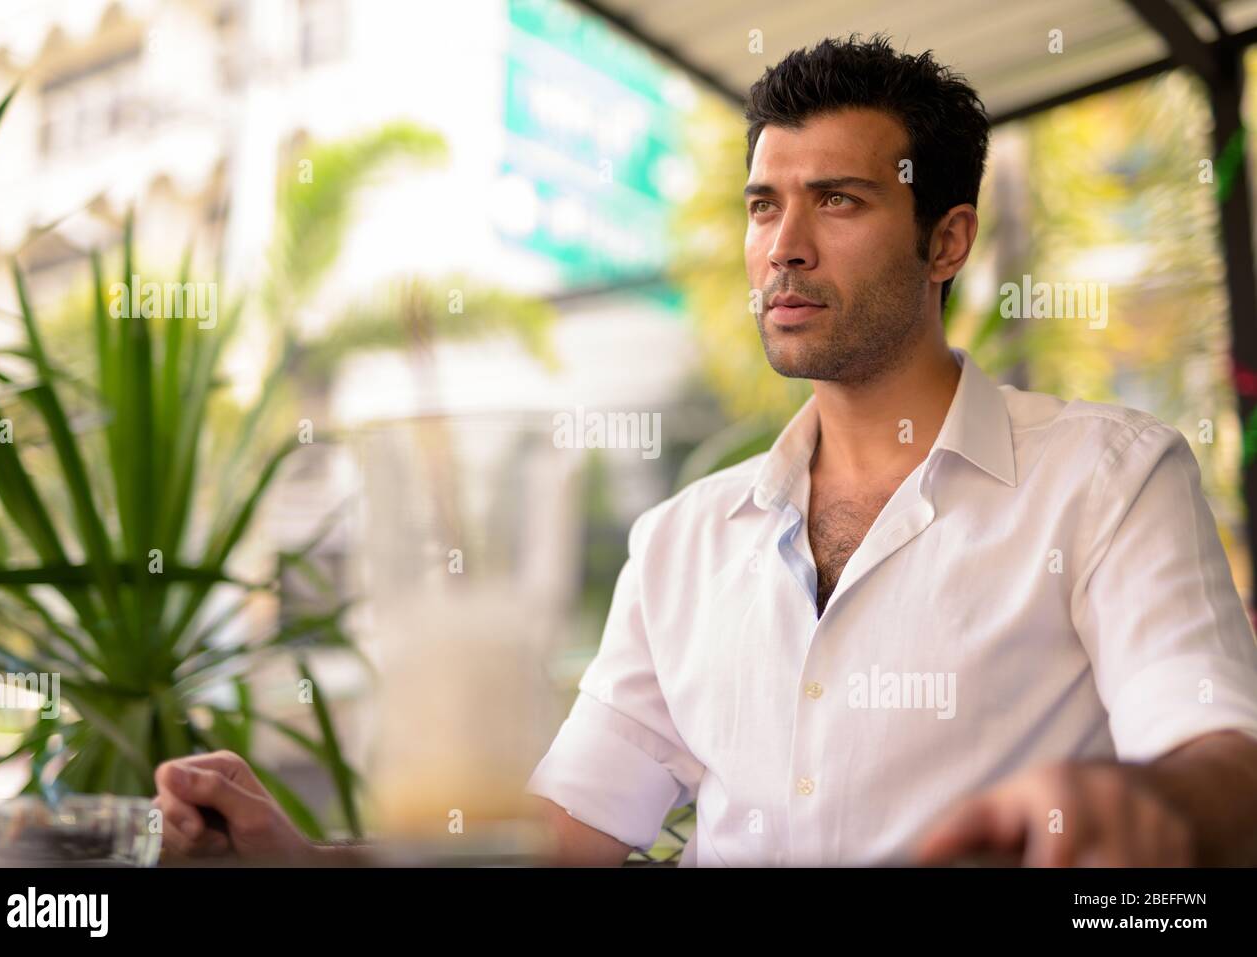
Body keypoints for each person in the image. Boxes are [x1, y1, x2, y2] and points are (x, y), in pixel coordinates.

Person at [154, 34, 1257, 867]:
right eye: (762, 205)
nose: (783, 246)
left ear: (947, 239)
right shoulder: (683, 539)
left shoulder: (1105, 481)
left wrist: (1150, 807)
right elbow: (568, 833)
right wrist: (297, 858)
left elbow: (1224, 756)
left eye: (839, 200)